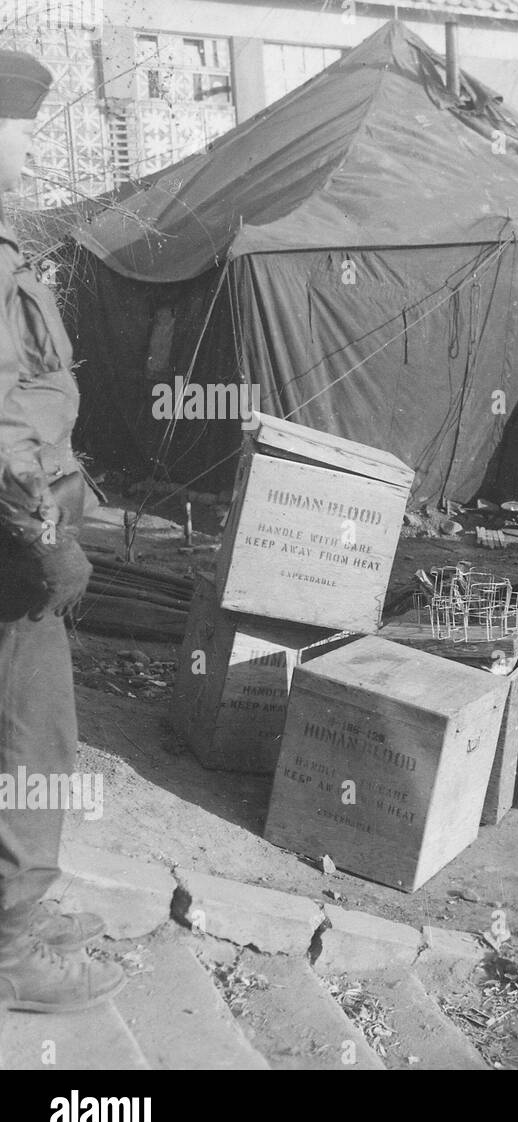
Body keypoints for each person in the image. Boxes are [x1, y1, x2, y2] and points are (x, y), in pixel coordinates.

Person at [0, 48, 123, 1012]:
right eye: (22, 130)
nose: (32, 152)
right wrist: (47, 539)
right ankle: (11, 950)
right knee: (31, 744)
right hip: (8, 548)